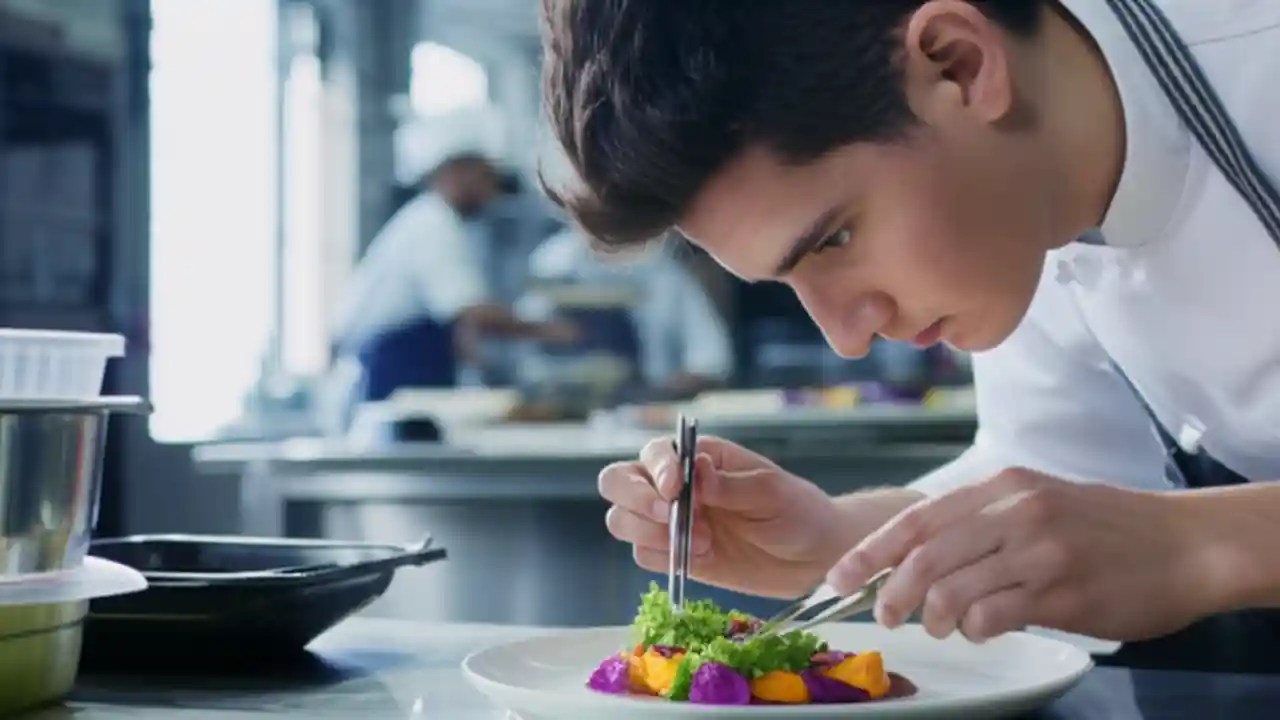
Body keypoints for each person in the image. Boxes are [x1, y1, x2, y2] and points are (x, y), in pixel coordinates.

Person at [540, 0, 1280, 646]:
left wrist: (1203, 548)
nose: (846, 336)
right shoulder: (1013, 208)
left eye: (834, 240)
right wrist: (835, 540)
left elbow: (1157, 542)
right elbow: (1070, 477)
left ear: (958, 63)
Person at [330, 149, 575, 403]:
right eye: (484, 177)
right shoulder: (432, 224)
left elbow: (458, 325)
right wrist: (554, 331)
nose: (491, 189)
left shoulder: (451, 224)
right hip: (387, 374)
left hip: (412, 370)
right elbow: (472, 312)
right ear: (452, 173)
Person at [519, 227, 733, 397]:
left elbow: (710, 357)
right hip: (557, 404)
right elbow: (523, 342)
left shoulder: (662, 272)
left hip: (647, 405)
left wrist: (663, 394)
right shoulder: (554, 262)